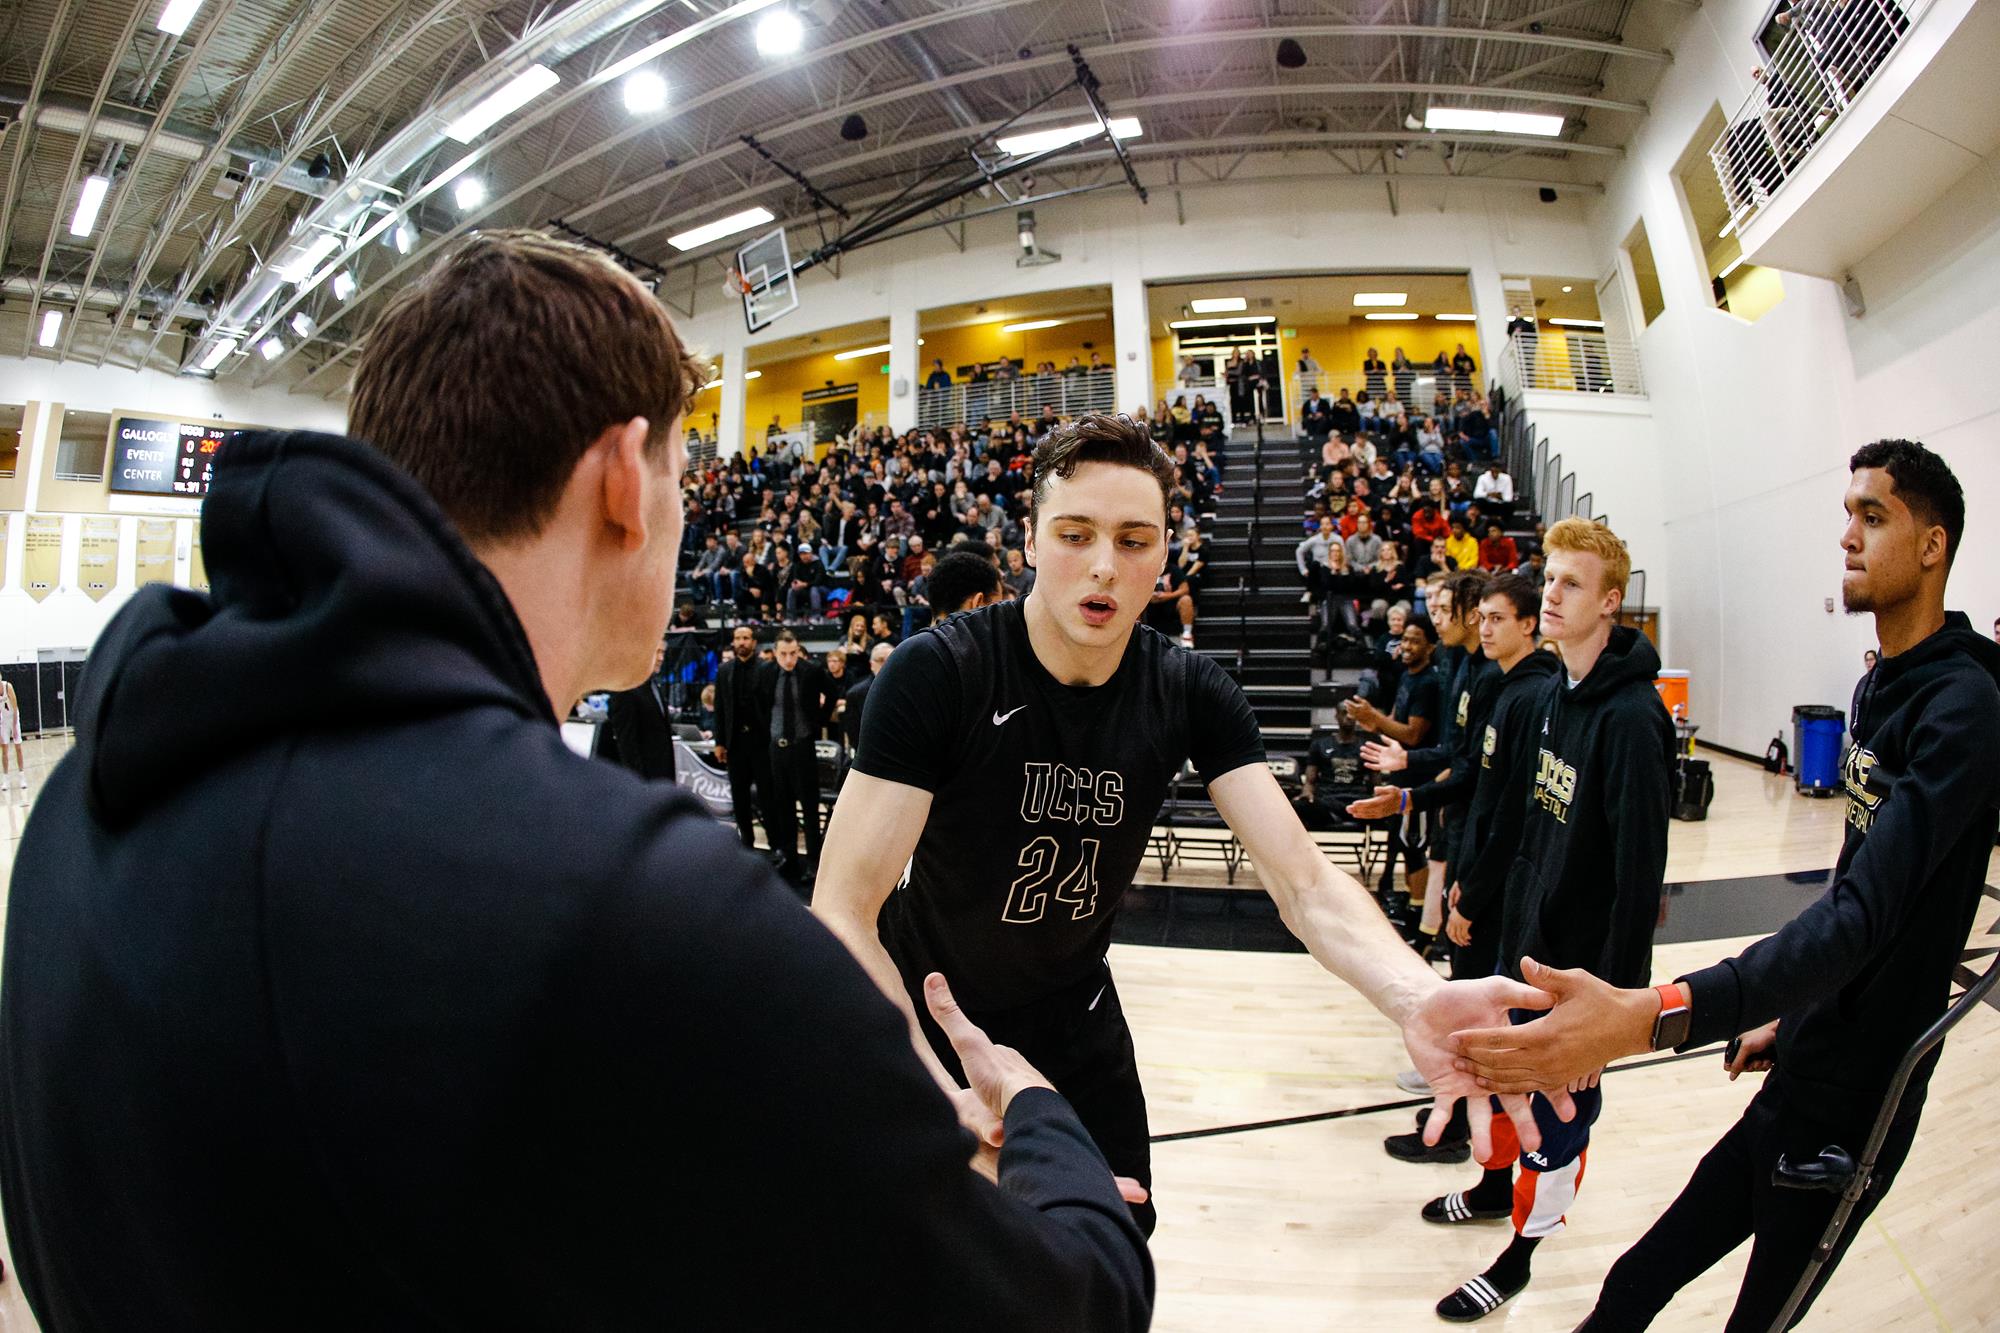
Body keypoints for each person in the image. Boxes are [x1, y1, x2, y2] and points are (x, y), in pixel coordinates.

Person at [0, 230, 1156, 1331]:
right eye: (681, 477)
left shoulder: (81, 805)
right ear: (621, 479)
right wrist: (1046, 1129)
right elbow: (1047, 1310)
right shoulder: (635, 907)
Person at [812, 413, 1565, 1239]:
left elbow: (1304, 880)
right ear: (1029, 540)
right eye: (1075, 534)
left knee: (1115, 1250)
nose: (1104, 565)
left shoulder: (1191, 688)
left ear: (1166, 555)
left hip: (1074, 1016)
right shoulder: (941, 671)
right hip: (930, 1020)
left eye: (1135, 540)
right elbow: (845, 906)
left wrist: (1415, 994)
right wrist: (930, 1082)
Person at [1461, 443, 2000, 1332]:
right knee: (1634, 1283)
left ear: (1934, 543)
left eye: (1874, 516)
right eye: (1847, 513)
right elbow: (1859, 890)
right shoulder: (1884, 687)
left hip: (1859, 1105)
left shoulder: (1965, 706)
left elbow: (1865, 917)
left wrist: (1659, 1009)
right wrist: (1791, 1012)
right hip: (1808, 1054)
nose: (1847, 537)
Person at [1423, 516, 1674, 1323]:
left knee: (1558, 1126)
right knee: (1503, 1090)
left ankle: (1522, 1255)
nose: (1552, 592)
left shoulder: (1633, 720)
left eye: (1571, 582)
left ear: (1611, 602)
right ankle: (1495, 1188)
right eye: (1549, 575)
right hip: (1525, 951)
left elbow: (1640, 882)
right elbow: (1534, 831)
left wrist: (1618, 1016)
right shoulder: (1555, 696)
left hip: (1583, 979)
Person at [714, 624, 772, 852]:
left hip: (761, 742)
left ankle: (775, 843)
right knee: (739, 798)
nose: (741, 642)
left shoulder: (767, 668)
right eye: (738, 638)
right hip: (735, 743)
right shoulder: (724, 670)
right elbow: (719, 708)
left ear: (754, 642)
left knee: (768, 796)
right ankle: (745, 843)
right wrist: (719, 742)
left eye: (746, 638)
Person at [598, 639, 677, 782]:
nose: (661, 658)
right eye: (657, 652)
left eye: (663, 652)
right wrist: (637, 783)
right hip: (644, 779)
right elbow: (627, 744)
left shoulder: (654, 686)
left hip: (662, 776)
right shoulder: (625, 689)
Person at [842, 639, 897, 754]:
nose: (886, 664)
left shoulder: (910, 688)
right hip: (871, 756)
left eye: (891, 659)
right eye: (881, 660)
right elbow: (854, 735)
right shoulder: (855, 694)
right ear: (871, 664)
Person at [0, 676, 25, 803]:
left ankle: (22, 777)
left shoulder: (7, 686)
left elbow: (15, 708)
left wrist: (15, 727)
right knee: (4, 749)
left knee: (18, 747)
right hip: (3, 721)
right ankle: (5, 779)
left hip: (14, 719)